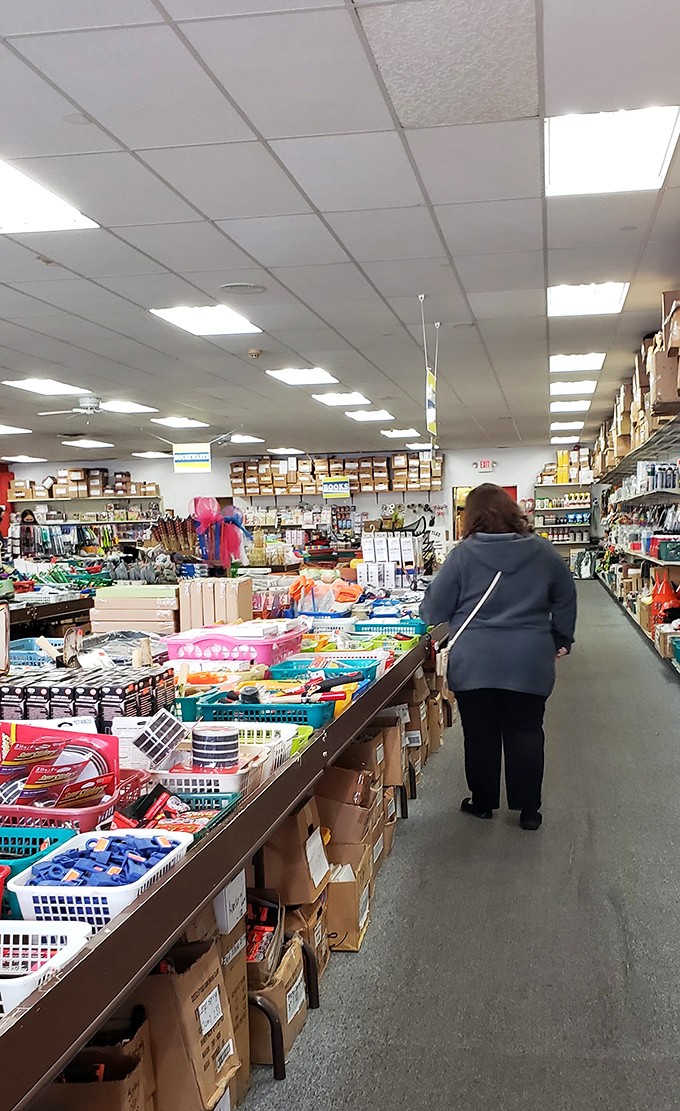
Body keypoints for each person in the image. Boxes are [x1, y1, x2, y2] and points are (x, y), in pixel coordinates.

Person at [420, 483, 577, 831]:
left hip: (476, 661)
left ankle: (483, 801)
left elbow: (433, 610)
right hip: (529, 659)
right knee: (526, 731)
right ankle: (528, 810)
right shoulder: (544, 552)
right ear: (511, 510)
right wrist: (561, 637)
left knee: (480, 734)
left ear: (471, 517)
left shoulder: (463, 555)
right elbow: (566, 594)